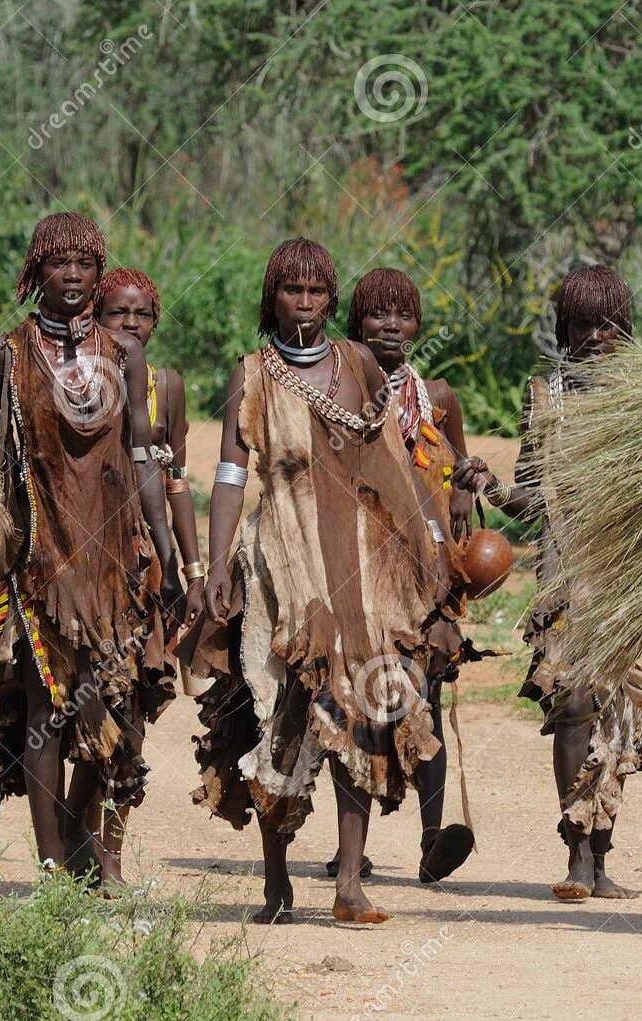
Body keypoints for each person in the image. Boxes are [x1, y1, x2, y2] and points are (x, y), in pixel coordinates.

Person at [188, 238, 448, 924]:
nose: (304, 302)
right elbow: (231, 476)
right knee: (282, 712)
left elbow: (390, 462)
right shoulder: (252, 376)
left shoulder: (358, 364)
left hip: (356, 562)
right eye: (290, 290)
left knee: (356, 709)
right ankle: (276, 884)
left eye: (315, 292)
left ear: (333, 300)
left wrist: (425, 551)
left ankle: (349, 884)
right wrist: (217, 566)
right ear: (270, 297)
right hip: (281, 557)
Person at [0, 212, 181, 876]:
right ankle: (53, 866)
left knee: (116, 701)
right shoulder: (8, 353)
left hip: (112, 559)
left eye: (85, 263)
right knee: (45, 709)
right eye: (59, 264)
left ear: (98, 272)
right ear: (36, 272)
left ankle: (87, 850)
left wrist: (166, 555)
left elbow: (143, 459)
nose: (73, 275)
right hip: (38, 557)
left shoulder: (124, 355)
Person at [452, 264, 640, 900]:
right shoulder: (545, 395)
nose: (593, 338)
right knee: (572, 706)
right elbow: (533, 499)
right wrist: (490, 488)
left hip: (627, 576)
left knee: (619, 717)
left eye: (606, 325)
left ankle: (604, 852)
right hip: (565, 575)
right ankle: (576, 855)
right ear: (565, 329)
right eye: (581, 325)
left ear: (625, 330)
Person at [341, 266, 478, 883]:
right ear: (356, 322)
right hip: (362, 571)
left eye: (404, 314)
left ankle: (431, 839)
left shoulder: (438, 396)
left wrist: (462, 488)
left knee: (428, 692)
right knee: (360, 703)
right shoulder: (338, 389)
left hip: (428, 572)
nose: (392, 325)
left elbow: (455, 468)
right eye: (377, 314)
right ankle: (353, 850)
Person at [85, 265, 206, 884]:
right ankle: (74, 853)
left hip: (144, 568)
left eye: (142, 315)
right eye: (117, 314)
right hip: (79, 565)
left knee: (129, 707)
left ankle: (109, 855)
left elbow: (175, 479)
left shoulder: (167, 386)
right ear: (93, 319)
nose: (130, 325)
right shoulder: (72, 380)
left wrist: (191, 568)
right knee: (73, 704)